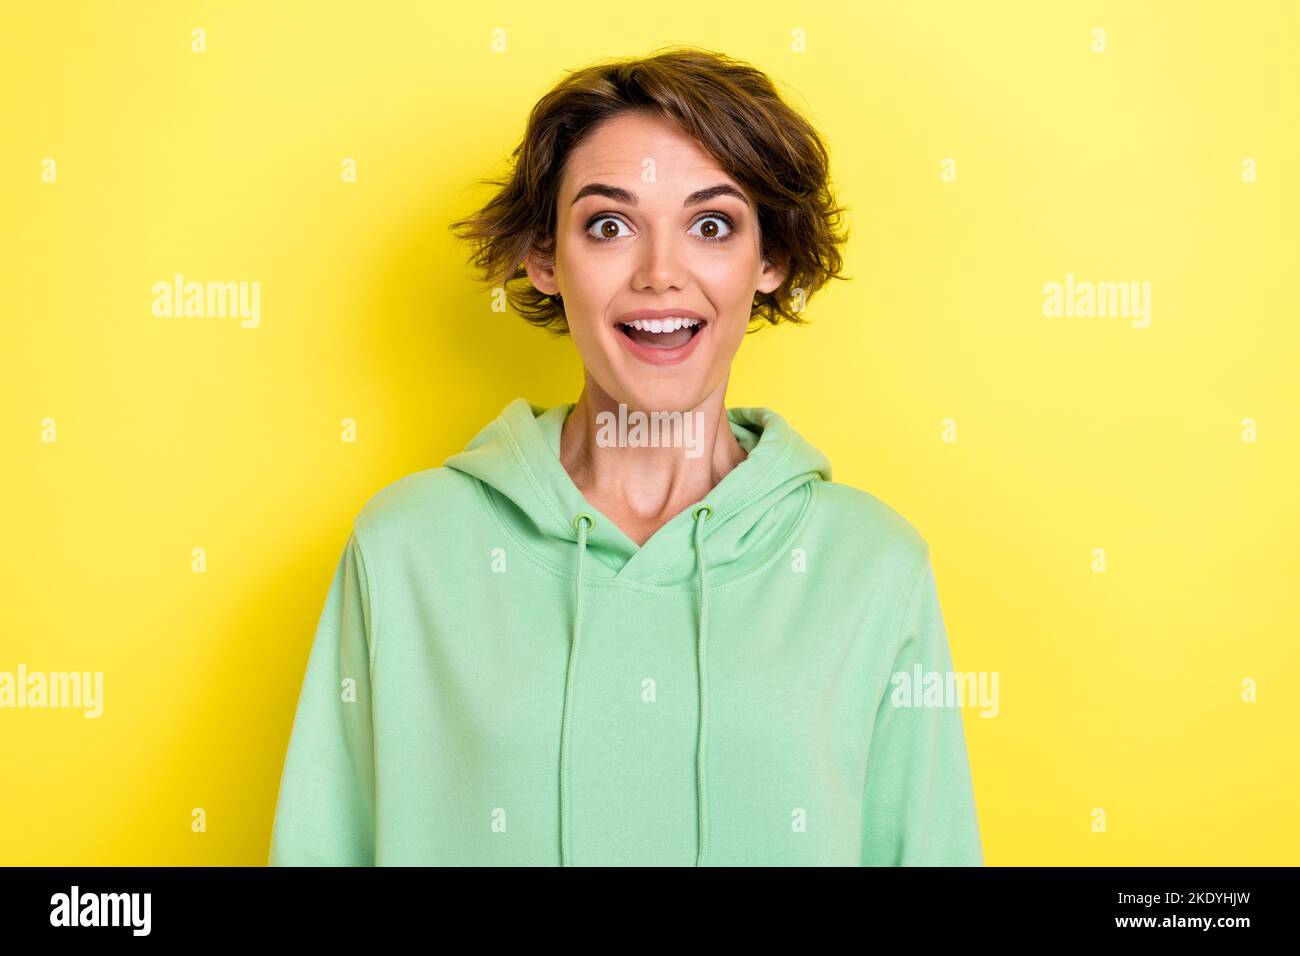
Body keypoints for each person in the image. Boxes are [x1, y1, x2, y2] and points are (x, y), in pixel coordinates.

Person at [268, 46, 983, 866]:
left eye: (711, 225)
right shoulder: (406, 548)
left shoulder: (872, 565)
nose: (660, 275)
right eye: (609, 225)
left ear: (770, 262)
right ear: (545, 259)